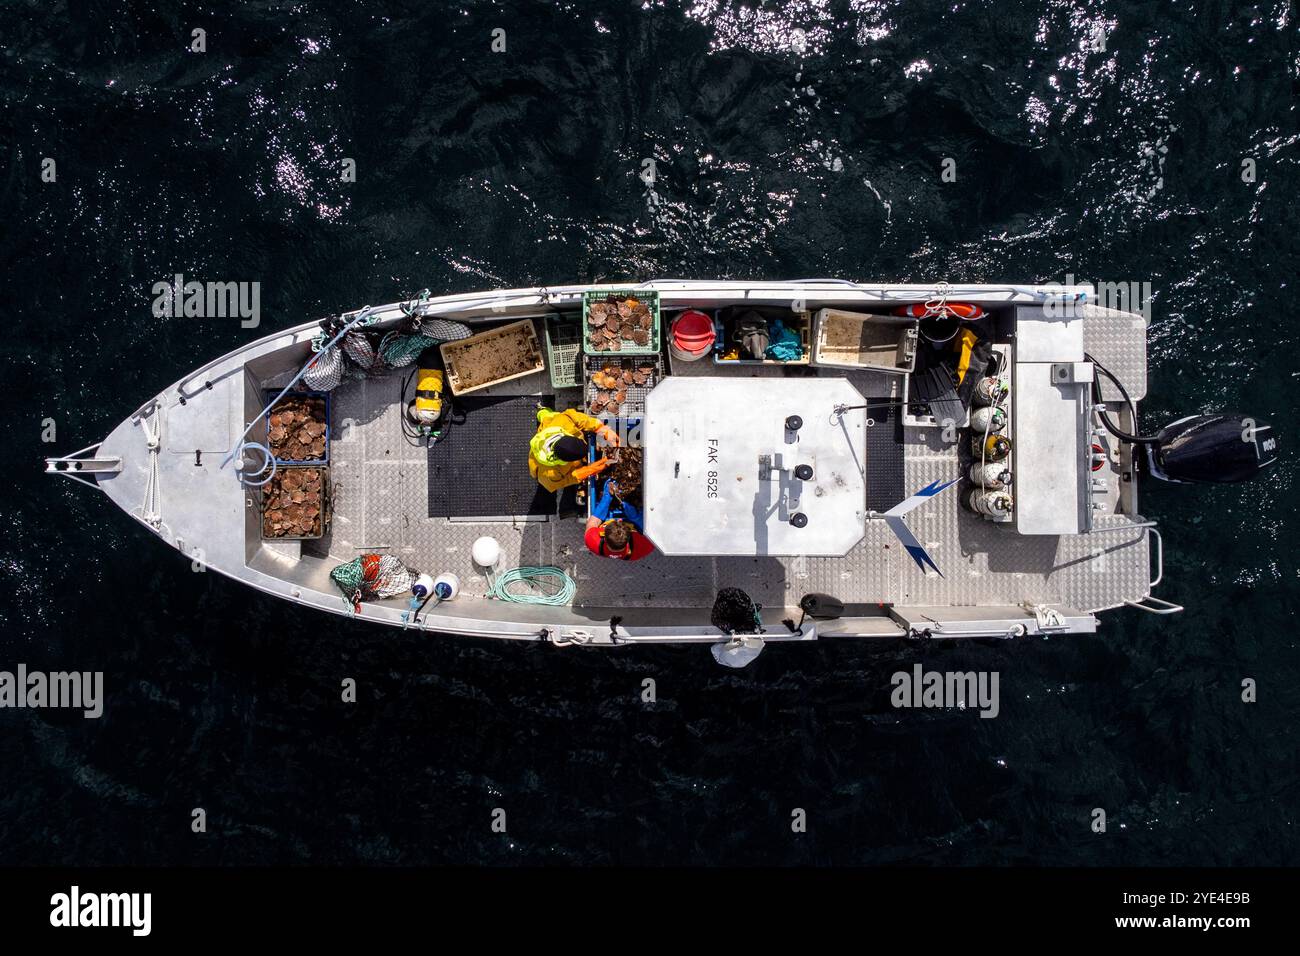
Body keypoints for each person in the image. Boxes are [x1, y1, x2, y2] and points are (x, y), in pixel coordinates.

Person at [528, 406, 619, 493]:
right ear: (565, 461)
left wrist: (602, 429)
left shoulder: (563, 422)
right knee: (546, 416)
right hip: (539, 465)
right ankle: (542, 412)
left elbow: (579, 418)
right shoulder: (549, 474)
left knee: (548, 417)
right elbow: (563, 481)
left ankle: (542, 412)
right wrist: (589, 470)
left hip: (551, 423)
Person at [585, 477, 654, 561]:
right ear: (629, 537)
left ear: (604, 536)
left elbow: (593, 522)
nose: (619, 520)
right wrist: (635, 517)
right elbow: (653, 529)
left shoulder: (593, 542)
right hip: (637, 527)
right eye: (620, 521)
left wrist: (607, 496)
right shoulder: (642, 549)